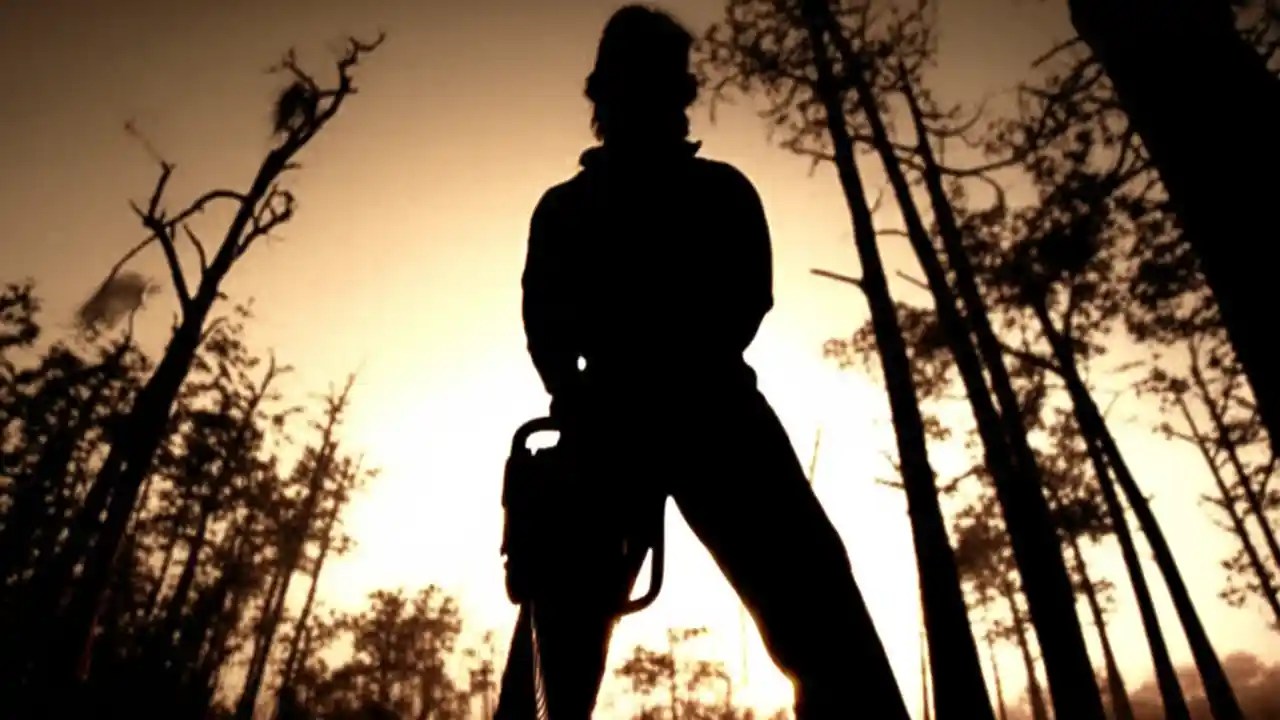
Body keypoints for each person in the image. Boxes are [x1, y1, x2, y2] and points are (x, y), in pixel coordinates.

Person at [495, 5, 912, 719]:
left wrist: (594, 387)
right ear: (609, 93)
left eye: (658, 84)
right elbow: (551, 327)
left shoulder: (697, 193)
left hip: (696, 410)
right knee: (552, 651)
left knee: (822, 623)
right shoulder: (580, 206)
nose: (648, 99)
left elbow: (741, 302)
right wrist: (582, 393)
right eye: (637, 83)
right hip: (659, 415)